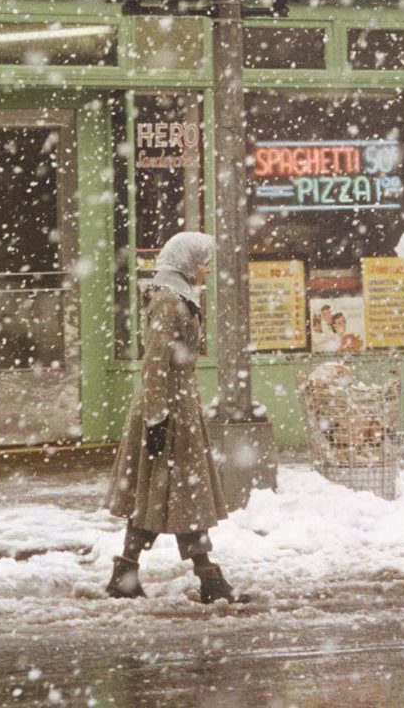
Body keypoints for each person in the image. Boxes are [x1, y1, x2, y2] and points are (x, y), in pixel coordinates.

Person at [104, 231, 248, 604]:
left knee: (171, 492)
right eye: (204, 264)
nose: (207, 270)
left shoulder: (178, 297)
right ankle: (204, 577)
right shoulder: (167, 300)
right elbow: (155, 363)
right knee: (174, 492)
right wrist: (157, 418)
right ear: (187, 263)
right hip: (169, 409)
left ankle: (133, 574)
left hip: (179, 407)